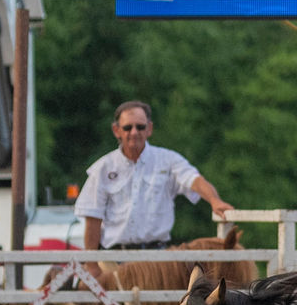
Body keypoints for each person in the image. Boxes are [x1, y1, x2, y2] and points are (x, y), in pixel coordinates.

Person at [74, 101, 234, 253]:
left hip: (157, 259)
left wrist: (214, 200)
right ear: (117, 130)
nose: (134, 132)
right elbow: (92, 218)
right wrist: (91, 264)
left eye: (140, 127)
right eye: (128, 127)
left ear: (149, 128)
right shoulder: (102, 168)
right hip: (114, 259)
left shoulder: (168, 160)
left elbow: (194, 180)